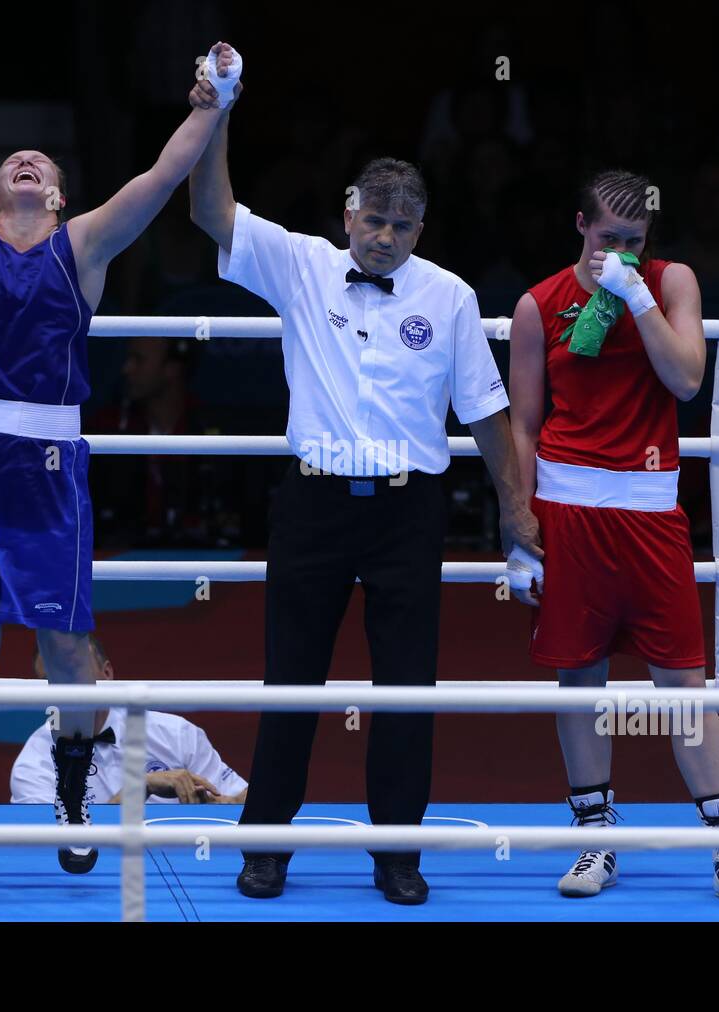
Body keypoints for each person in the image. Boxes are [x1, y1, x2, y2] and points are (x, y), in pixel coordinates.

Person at [0, 30, 243, 885]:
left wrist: (211, 103)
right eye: (14, 162)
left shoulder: (86, 246)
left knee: (67, 645)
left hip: (51, 468)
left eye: (41, 163)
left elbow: (163, 178)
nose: (27, 161)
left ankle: (72, 795)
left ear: (59, 197)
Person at [188, 55, 540, 905]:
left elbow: (488, 415)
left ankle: (397, 856)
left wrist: (516, 515)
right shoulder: (302, 263)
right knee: (291, 681)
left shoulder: (450, 297)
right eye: (374, 219)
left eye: (402, 226)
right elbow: (211, 211)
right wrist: (218, 113)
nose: (384, 236)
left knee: (407, 689)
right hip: (312, 503)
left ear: (422, 230)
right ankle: (266, 847)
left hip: (408, 513)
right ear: (348, 213)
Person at [507, 169, 719, 910]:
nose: (620, 253)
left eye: (634, 241)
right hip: (566, 510)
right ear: (579, 226)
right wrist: (519, 532)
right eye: (607, 241)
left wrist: (638, 297)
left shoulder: (672, 281)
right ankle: (596, 835)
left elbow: (688, 379)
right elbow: (524, 426)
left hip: (652, 511)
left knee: (684, 686)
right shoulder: (539, 305)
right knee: (579, 679)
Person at [11, 634, 247, 806]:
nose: (64, 686)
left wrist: (225, 804)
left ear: (107, 674)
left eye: (73, 671)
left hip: (186, 863)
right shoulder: (33, 765)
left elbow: (241, 796)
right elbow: (61, 853)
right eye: (50, 678)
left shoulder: (175, 733)